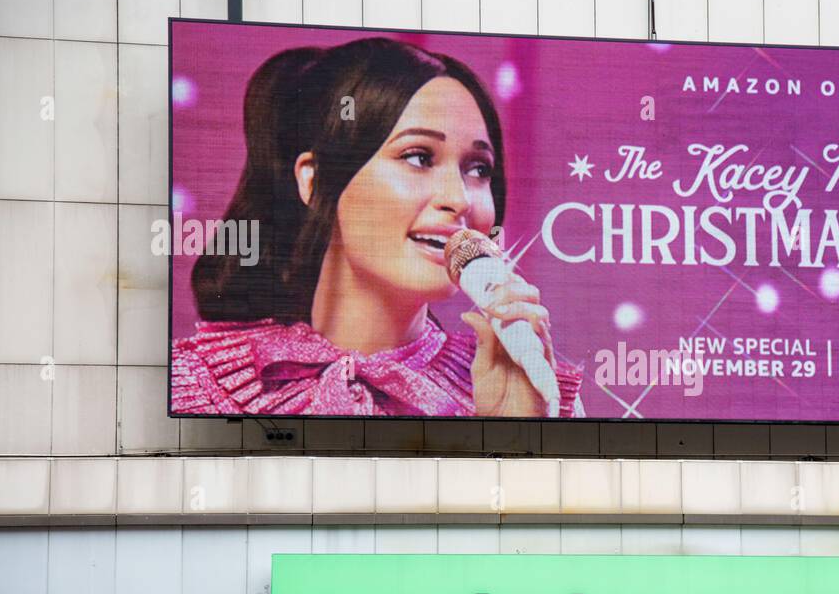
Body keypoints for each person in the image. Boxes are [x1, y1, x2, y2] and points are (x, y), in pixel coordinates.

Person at [171, 37, 582, 418]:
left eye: (478, 169)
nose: (460, 200)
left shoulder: (530, 389)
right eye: (419, 157)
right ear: (313, 180)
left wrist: (511, 434)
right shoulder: (194, 383)